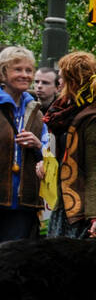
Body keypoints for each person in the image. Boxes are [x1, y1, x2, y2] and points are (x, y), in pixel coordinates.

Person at [45, 52, 96, 241]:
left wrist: (95, 216)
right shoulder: (71, 111)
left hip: (85, 213)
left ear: (73, 82)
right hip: (69, 204)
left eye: (62, 77)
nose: (59, 82)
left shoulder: (95, 119)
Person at [0, 46, 45, 242]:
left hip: (23, 205)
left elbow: (49, 153)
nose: (25, 75)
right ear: (3, 73)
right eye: (17, 69)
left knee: (13, 263)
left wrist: (38, 145)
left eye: (29, 70)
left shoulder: (36, 112)